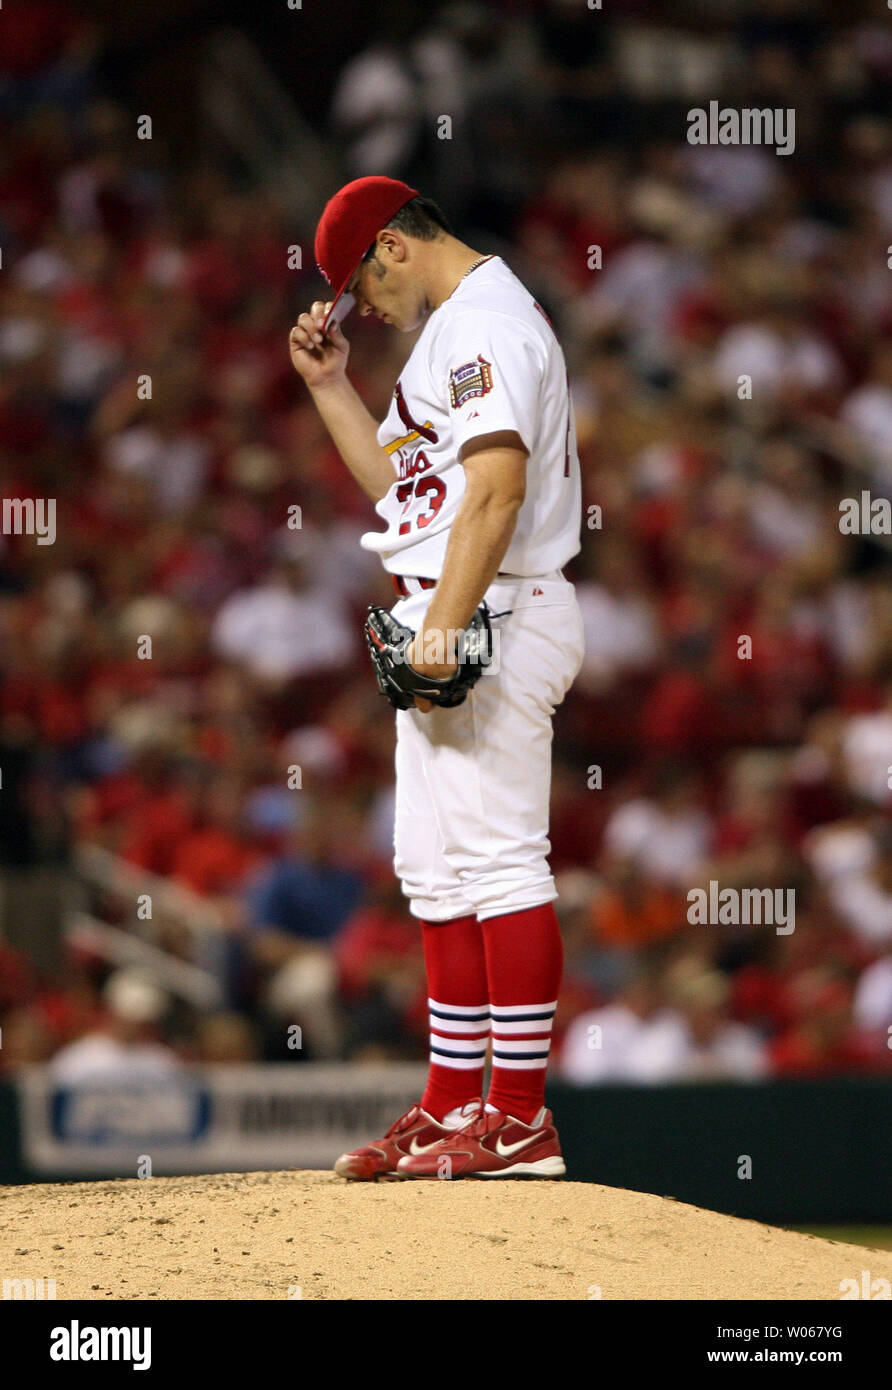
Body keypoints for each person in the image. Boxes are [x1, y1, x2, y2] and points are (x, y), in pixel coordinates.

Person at [289, 176, 583, 1178]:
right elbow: (406, 494)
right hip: (459, 603)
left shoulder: (484, 325)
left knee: (500, 863)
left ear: (396, 247)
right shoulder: (451, 333)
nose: (360, 310)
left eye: (359, 285)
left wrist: (446, 627)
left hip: (496, 606)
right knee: (434, 869)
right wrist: (333, 390)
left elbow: (495, 494)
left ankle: (519, 1118)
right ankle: (456, 1103)